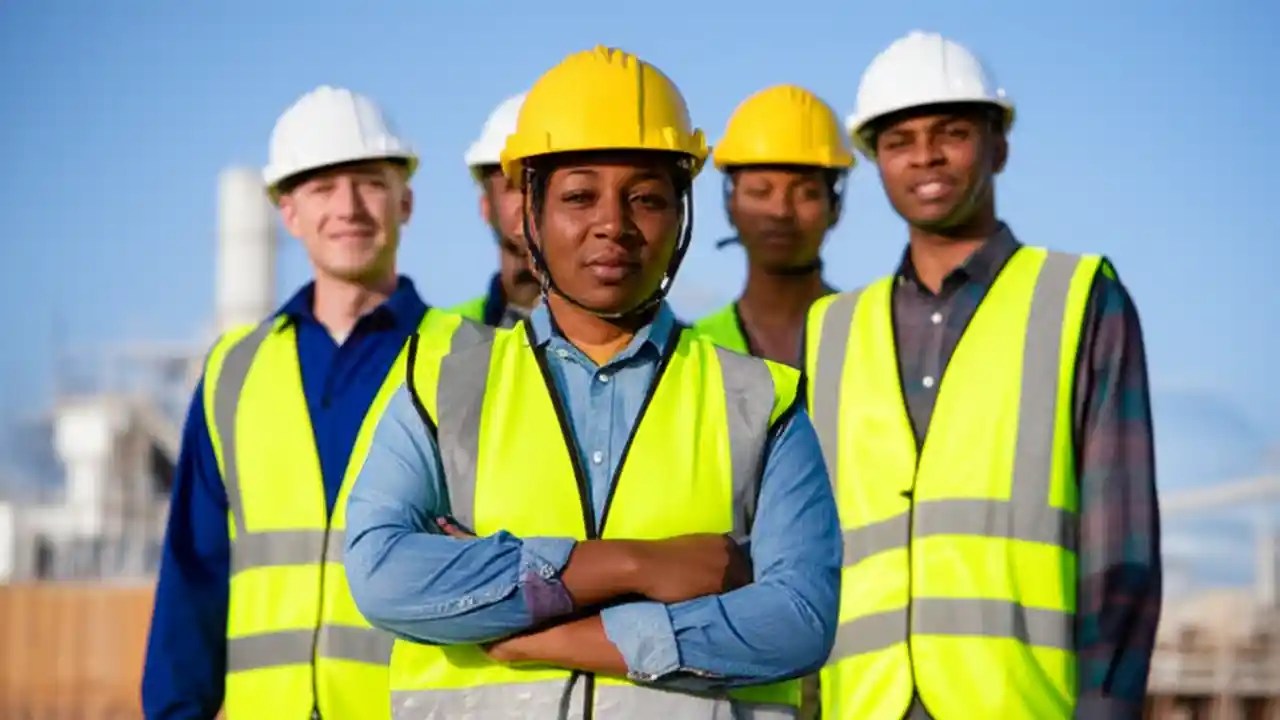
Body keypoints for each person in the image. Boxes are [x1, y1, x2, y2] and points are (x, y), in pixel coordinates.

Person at [343, 45, 842, 720]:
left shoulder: (761, 401)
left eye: (646, 198)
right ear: (531, 213)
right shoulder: (443, 383)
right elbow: (382, 575)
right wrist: (637, 567)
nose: (613, 224)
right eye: (580, 196)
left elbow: (798, 620)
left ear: (682, 216)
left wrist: (554, 632)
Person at [803, 31, 1161, 719]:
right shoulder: (831, 330)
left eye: (952, 133)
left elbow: (1121, 551)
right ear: (875, 160)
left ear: (999, 145)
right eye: (899, 140)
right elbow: (809, 558)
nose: (925, 156)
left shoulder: (1080, 299)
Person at [140, 85, 489, 720]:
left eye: (370, 184)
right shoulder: (234, 370)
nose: (348, 207)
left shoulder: (472, 360)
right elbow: (194, 568)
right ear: (289, 212)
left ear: (406, 201)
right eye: (323, 187)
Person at [693, 84, 854, 367]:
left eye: (805, 193)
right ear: (730, 204)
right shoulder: (695, 349)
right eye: (760, 191)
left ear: (835, 206)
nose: (780, 211)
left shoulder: (876, 336)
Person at [449, 92, 542, 327]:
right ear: (485, 206)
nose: (529, 201)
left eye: (542, 184)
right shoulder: (448, 334)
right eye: (513, 186)